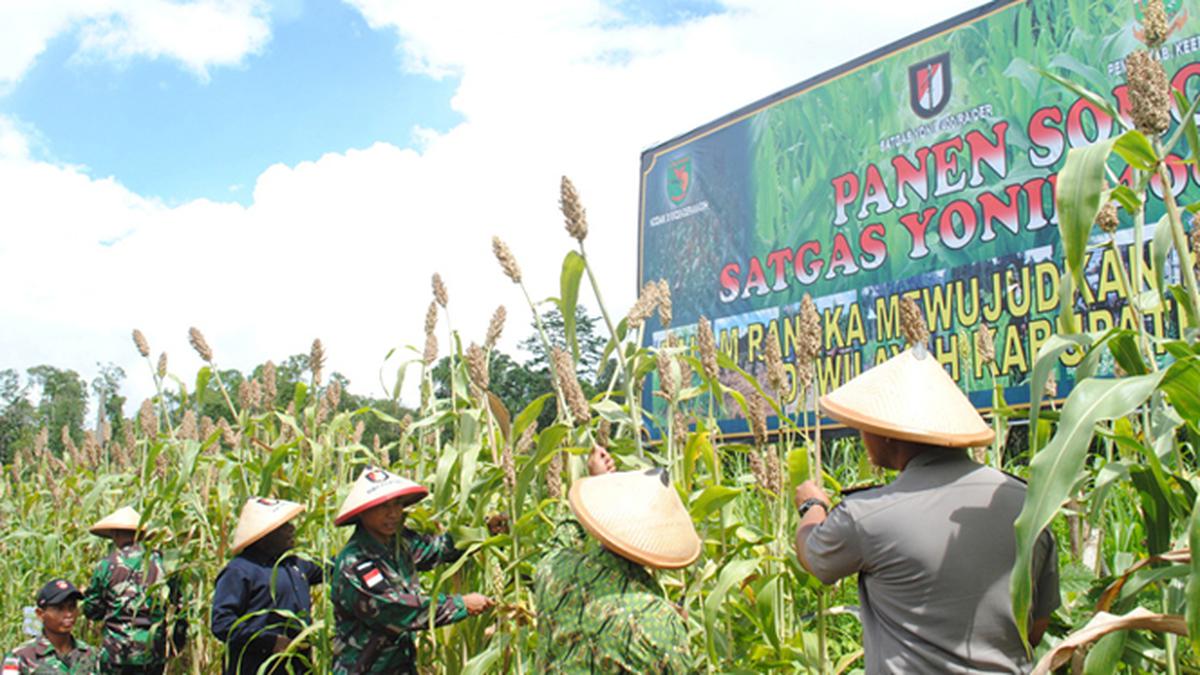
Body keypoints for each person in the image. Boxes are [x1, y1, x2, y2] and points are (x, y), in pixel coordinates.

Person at [793, 346, 1061, 673]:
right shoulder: (1026, 502)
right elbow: (1034, 630)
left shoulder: (868, 515)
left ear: (889, 435)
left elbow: (816, 557)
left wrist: (812, 506)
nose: (863, 436)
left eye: (865, 426)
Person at [532, 446, 698, 673]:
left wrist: (597, 483)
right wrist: (679, 629)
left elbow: (559, 541)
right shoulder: (659, 621)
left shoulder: (552, 573)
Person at [330, 467, 493, 675]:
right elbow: (395, 608)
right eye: (383, 506)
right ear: (363, 512)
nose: (393, 513)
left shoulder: (400, 543)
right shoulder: (355, 562)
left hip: (400, 666)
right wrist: (461, 604)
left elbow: (438, 549)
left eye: (397, 504)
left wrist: (484, 531)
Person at [211, 498, 322, 675]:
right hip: (256, 667)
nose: (292, 529)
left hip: (296, 667)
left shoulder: (294, 565)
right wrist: (270, 642)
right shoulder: (240, 571)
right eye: (283, 526)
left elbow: (335, 567)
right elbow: (222, 623)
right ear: (264, 534)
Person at [81, 506, 175, 675]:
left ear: (115, 534)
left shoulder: (106, 566)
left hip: (117, 652)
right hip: (152, 651)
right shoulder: (164, 563)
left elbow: (92, 610)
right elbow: (179, 606)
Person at [4, 579, 101, 673]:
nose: (68, 614)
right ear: (40, 614)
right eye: (59, 608)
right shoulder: (21, 657)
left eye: (72, 607)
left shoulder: (91, 655)